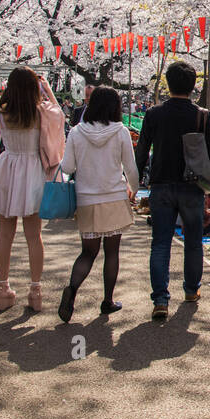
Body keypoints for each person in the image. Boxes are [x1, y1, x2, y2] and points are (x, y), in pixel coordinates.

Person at [135, 61, 210, 324]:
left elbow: (142, 150)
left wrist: (136, 178)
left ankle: (160, 299)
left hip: (161, 185)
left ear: (167, 84)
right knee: (193, 241)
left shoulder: (153, 114)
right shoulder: (203, 116)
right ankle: (191, 290)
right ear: (193, 85)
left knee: (160, 243)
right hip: (191, 187)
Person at [57, 86, 139, 322]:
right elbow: (130, 168)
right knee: (112, 252)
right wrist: (133, 189)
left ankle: (72, 290)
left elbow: (68, 167)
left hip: (87, 198)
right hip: (113, 196)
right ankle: (107, 301)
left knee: (88, 252)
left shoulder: (76, 132)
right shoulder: (120, 132)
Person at [0, 67, 63, 311]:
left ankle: (3, 289)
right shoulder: (42, 113)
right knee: (34, 236)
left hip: (8, 169)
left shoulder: (0, 112)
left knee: (5, 234)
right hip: (33, 171)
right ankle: (35, 291)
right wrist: (48, 90)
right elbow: (60, 114)